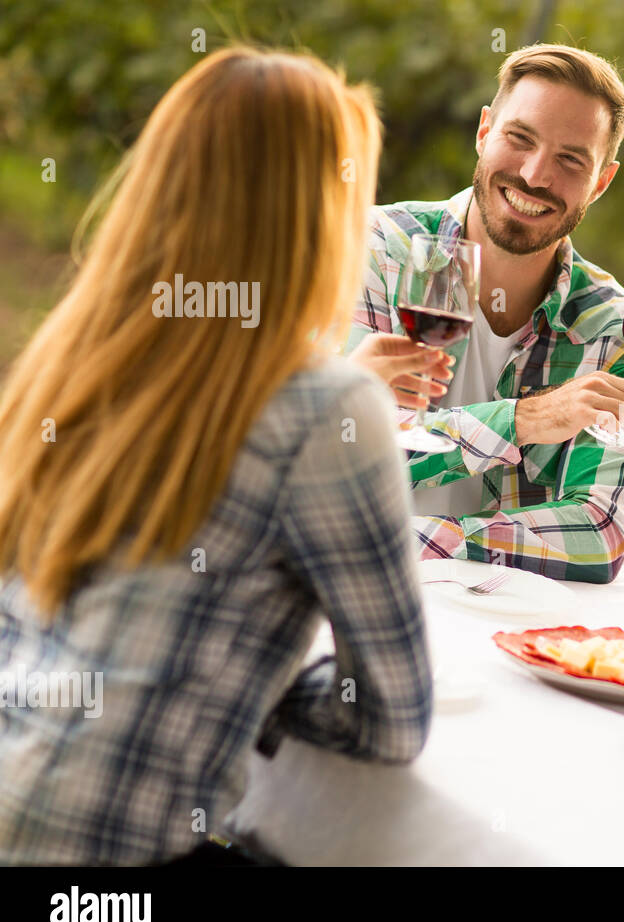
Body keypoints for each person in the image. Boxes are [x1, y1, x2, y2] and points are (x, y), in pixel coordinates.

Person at [0, 47, 436, 864]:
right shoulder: (326, 409)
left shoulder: (76, 357)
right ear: (319, 218)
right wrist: (260, 688)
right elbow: (394, 718)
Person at [347, 43, 624, 584]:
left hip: (514, 625)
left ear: (601, 182)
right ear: (484, 131)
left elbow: (599, 533)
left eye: (570, 160)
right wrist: (522, 421)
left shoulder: (621, 331)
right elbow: (339, 452)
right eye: (520, 138)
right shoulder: (374, 250)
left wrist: (406, 543)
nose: (535, 175)